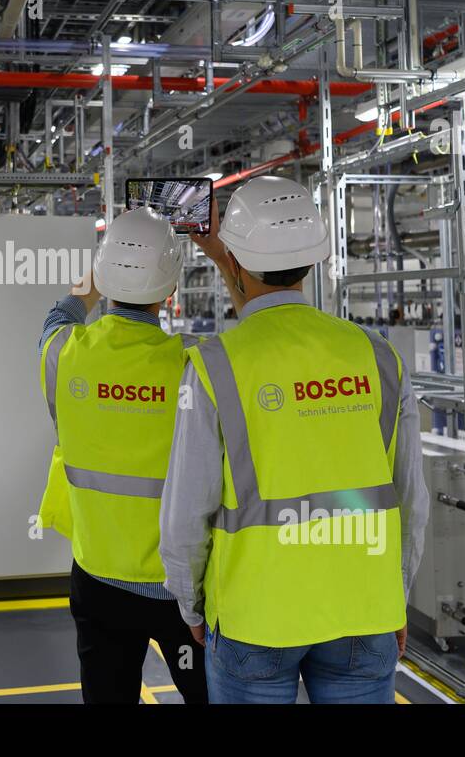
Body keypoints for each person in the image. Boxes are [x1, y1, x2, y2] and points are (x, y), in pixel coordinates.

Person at [159, 177, 429, 704]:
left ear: (235, 262)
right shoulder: (378, 357)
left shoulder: (216, 364)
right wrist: (392, 596)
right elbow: (411, 499)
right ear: (314, 262)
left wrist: (191, 607)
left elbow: (184, 516)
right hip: (363, 607)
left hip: (255, 615)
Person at [38, 207, 212, 704]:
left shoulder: (62, 354)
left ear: (103, 276)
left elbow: (61, 314)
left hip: (98, 579)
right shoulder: (195, 366)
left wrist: (99, 274)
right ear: (170, 292)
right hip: (181, 589)